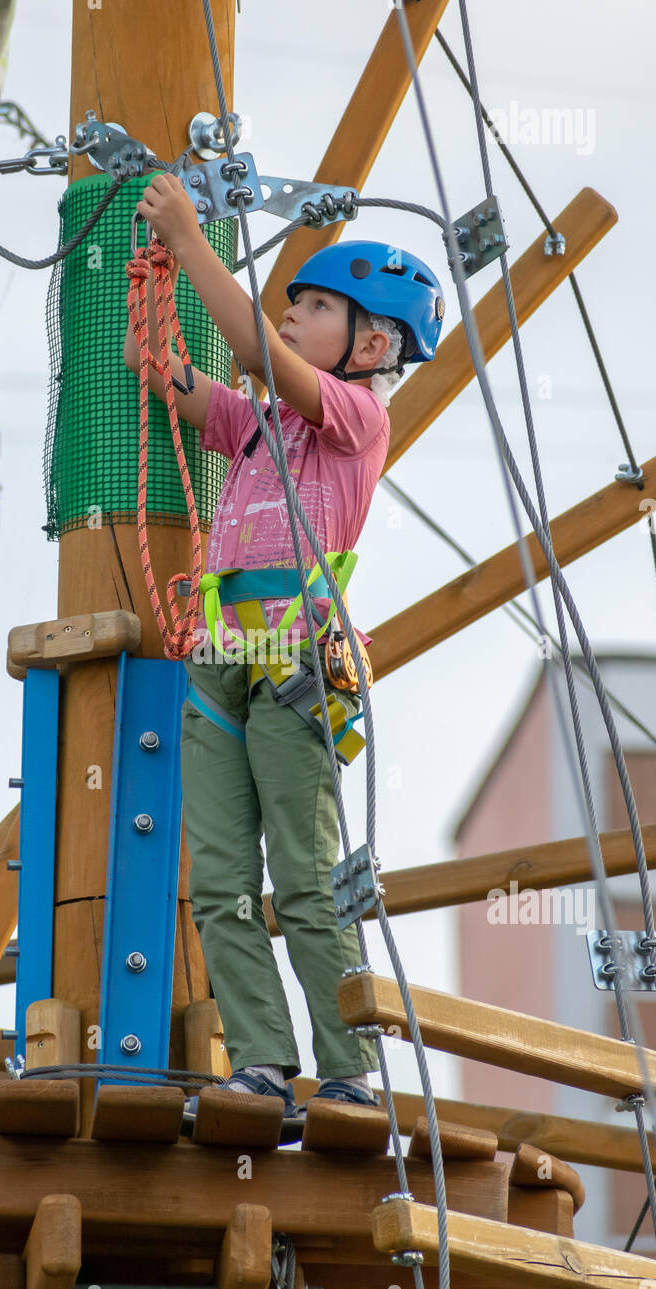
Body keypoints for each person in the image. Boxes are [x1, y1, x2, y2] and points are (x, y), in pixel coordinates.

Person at [123, 173, 444, 1119]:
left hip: (298, 665)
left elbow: (251, 347)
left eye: (312, 308)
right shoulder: (260, 428)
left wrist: (187, 237)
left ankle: (347, 1066)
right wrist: (153, 297)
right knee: (218, 878)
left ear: (373, 344)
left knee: (304, 875)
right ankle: (263, 1060)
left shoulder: (356, 421)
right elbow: (173, 379)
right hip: (221, 660)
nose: (290, 317)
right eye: (294, 304)